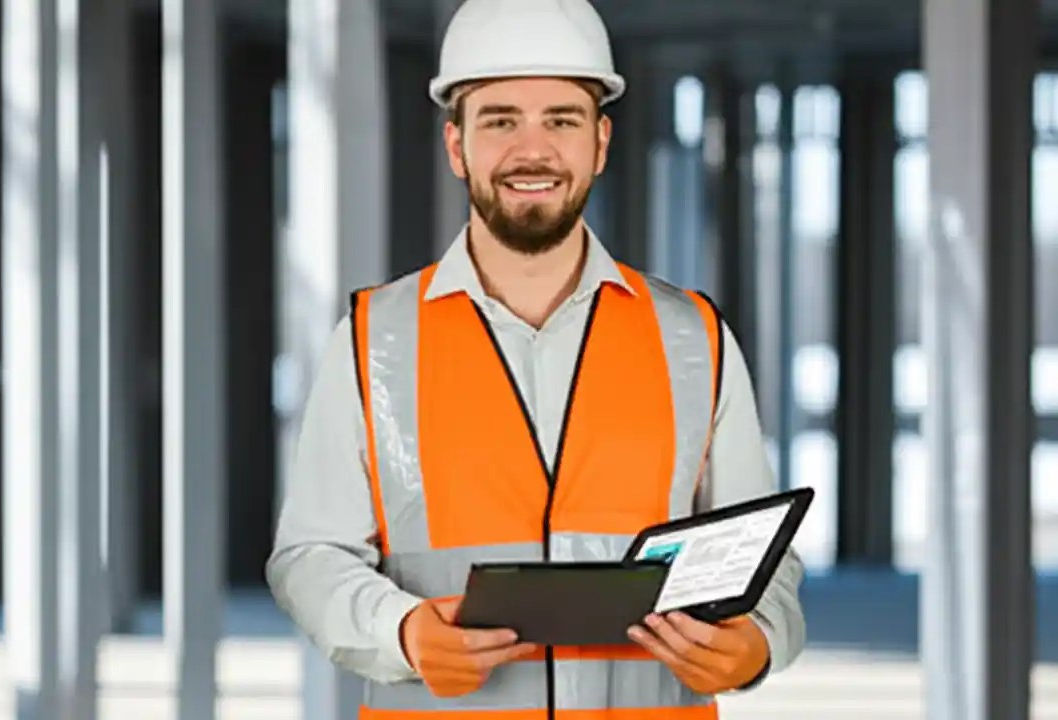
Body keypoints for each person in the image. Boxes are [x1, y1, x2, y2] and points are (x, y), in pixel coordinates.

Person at [265, 0, 805, 717]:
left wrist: (759, 643)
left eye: (561, 119)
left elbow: (761, 559)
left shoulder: (693, 339)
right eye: (500, 120)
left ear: (600, 143)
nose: (533, 150)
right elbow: (309, 556)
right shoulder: (374, 341)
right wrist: (400, 631)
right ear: (456, 144)